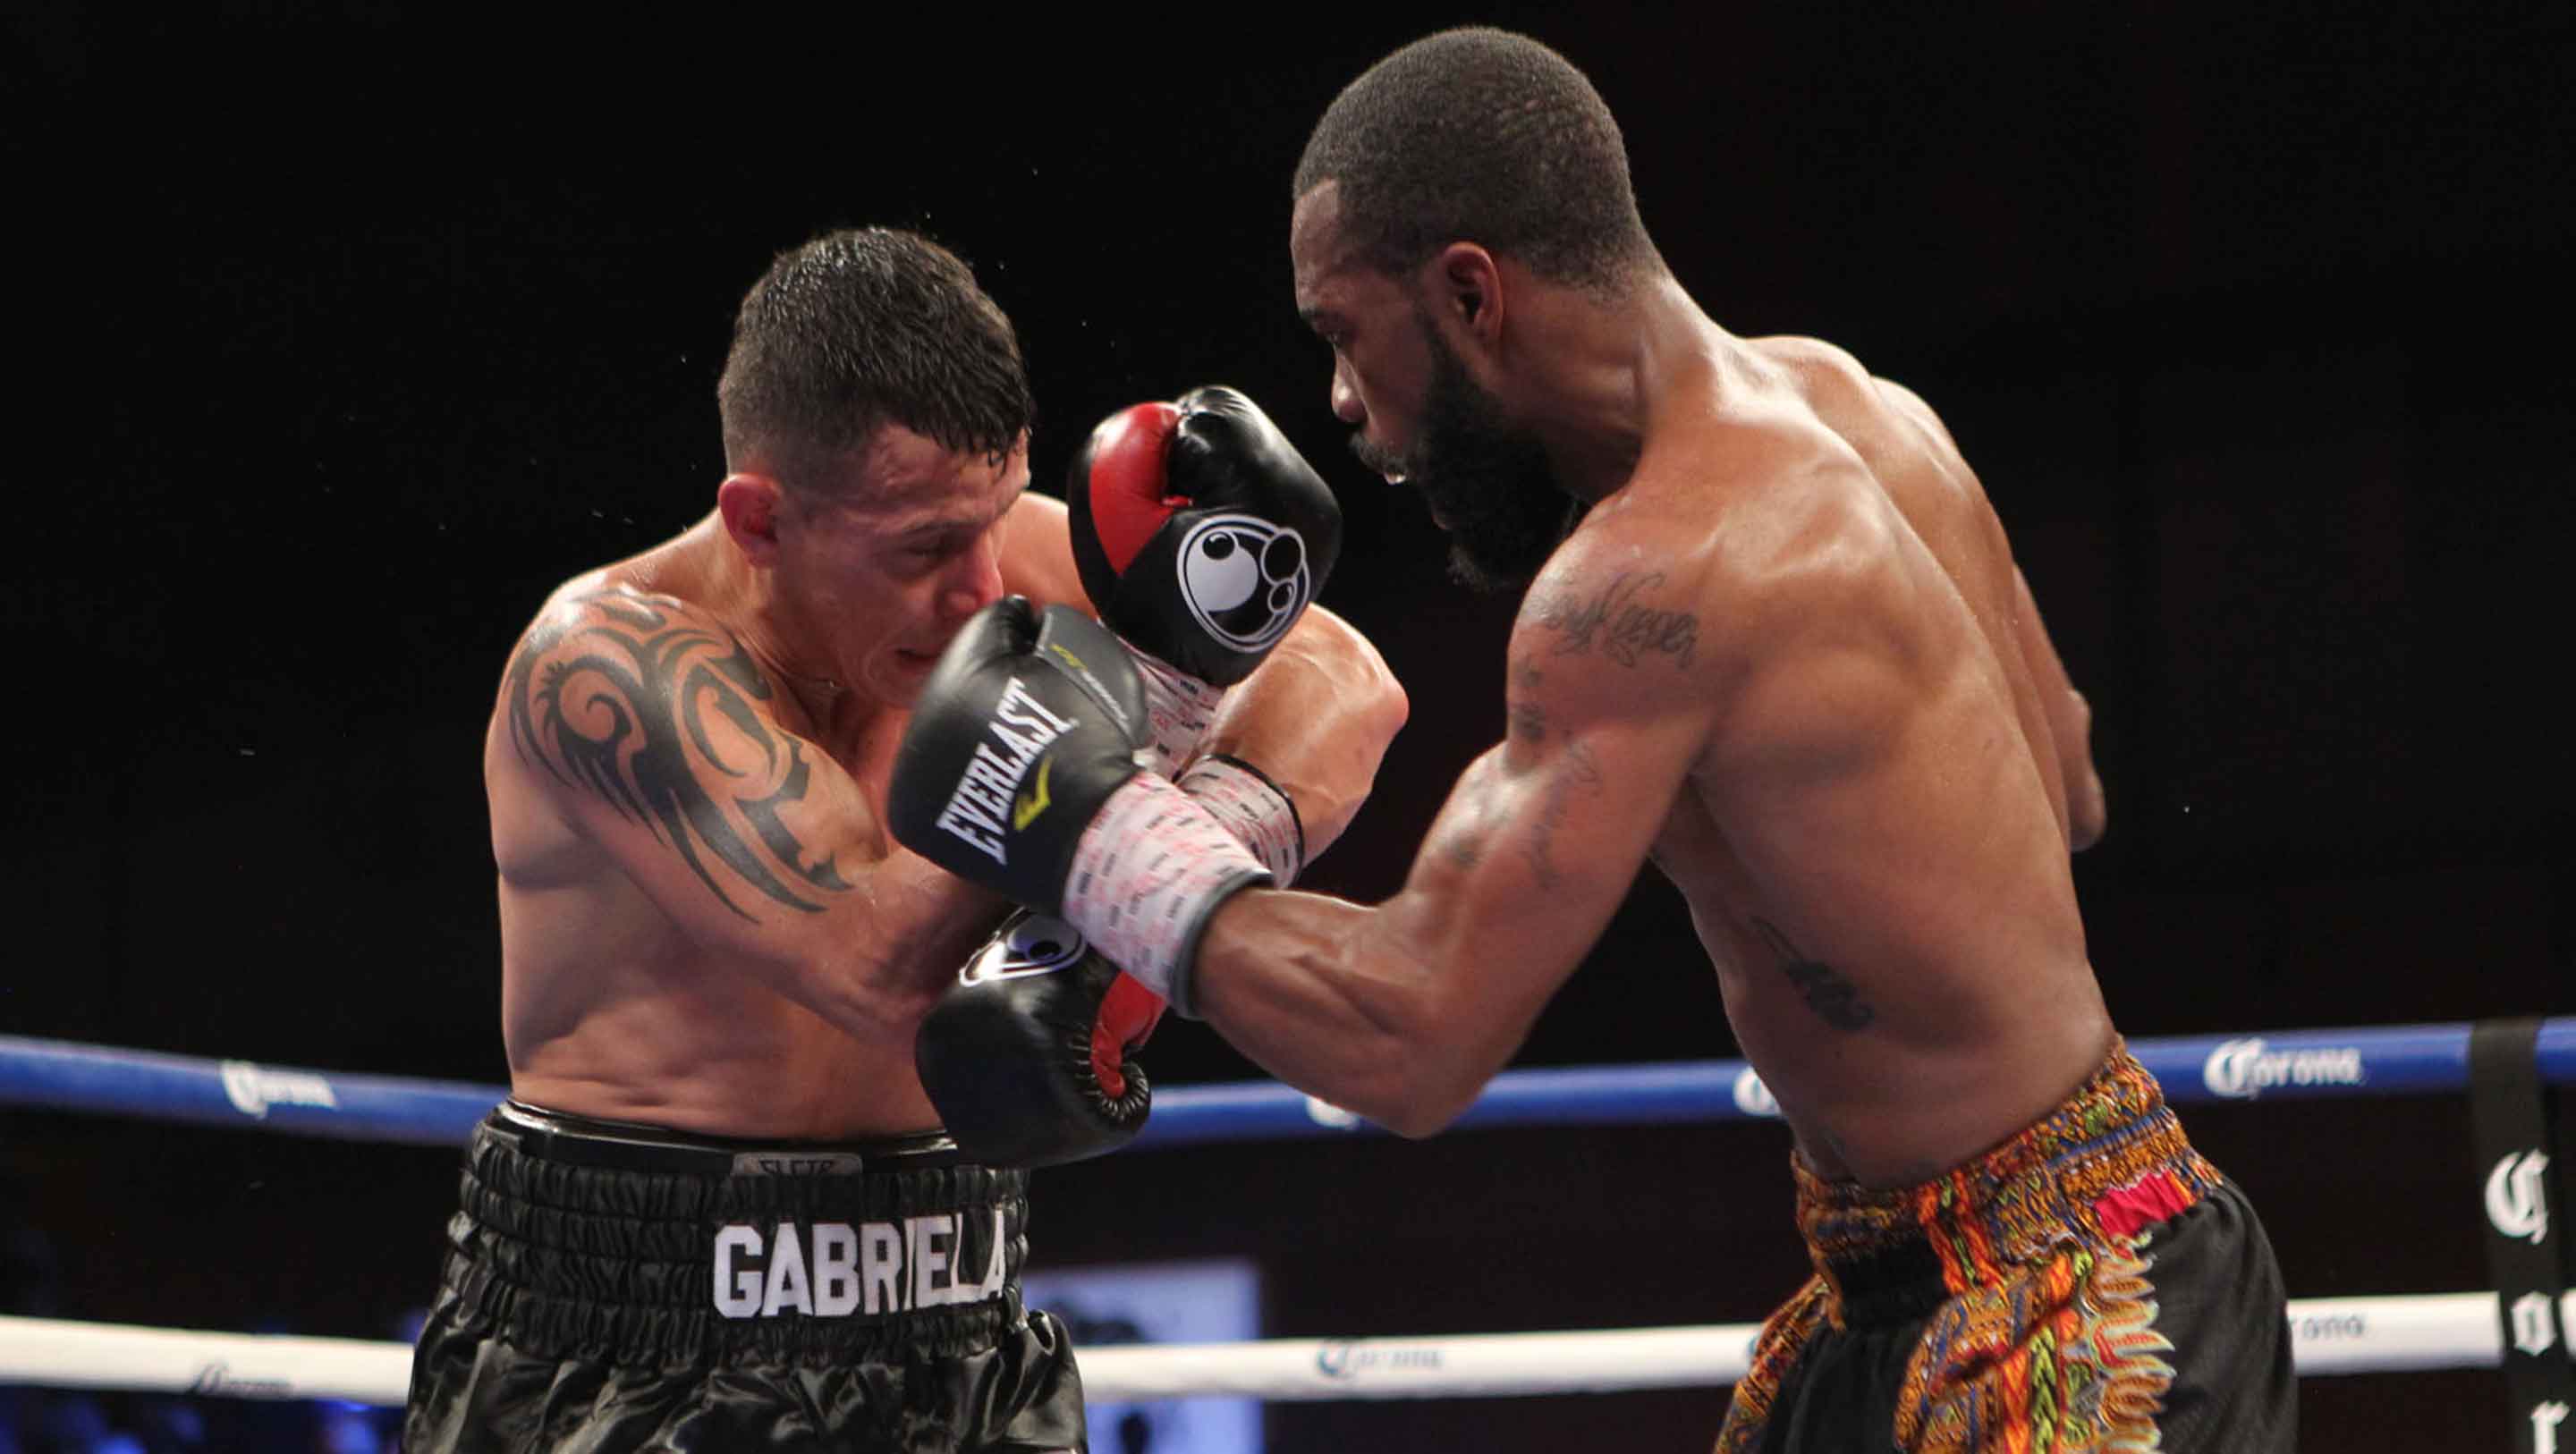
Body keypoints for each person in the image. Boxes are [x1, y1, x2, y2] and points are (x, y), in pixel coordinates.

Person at [886, 30, 2293, 1453]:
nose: (1339, 403)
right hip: (1969, 1263)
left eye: (1341, 332)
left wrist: (1092, 832)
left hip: (2061, 1318)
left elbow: (1416, 1035)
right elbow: (2067, 786)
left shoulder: (1644, 582)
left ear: (1470, 294)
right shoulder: (1861, 408)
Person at [402, 226, 1404, 1453]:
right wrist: (1134, 720)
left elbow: (1348, 687)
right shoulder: (605, 671)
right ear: (760, 521)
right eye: (927, 546)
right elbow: (874, 965)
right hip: (634, 1355)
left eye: (993, 515)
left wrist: (1168, 855)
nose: (985, 586)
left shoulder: (980, 555)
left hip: (961, 1333)